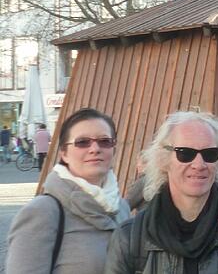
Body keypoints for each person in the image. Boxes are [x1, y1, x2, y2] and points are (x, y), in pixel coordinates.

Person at [104, 112, 218, 274]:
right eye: (185, 153)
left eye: (210, 154)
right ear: (164, 159)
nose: (199, 165)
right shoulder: (131, 238)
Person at [6, 108, 130, 273]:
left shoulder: (121, 208)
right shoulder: (42, 212)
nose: (95, 148)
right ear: (64, 153)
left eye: (104, 141)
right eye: (82, 142)